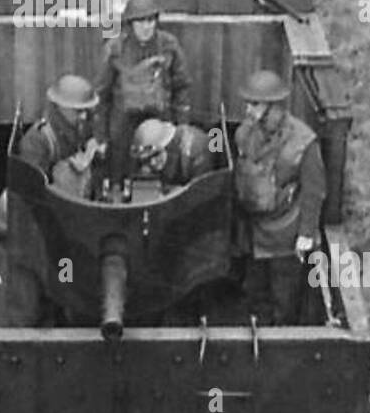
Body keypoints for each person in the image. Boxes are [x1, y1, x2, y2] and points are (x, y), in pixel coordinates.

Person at [232, 69, 326, 325]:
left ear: (272, 105)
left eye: (254, 104)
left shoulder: (303, 142)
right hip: (254, 231)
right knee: (255, 293)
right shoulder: (245, 134)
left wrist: (306, 235)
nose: (248, 110)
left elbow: (314, 190)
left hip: (286, 236)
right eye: (248, 103)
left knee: (284, 299)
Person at [94, 0, 191, 186]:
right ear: (130, 24)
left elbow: (182, 87)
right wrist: (100, 136)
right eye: (140, 21)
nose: (147, 27)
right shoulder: (115, 49)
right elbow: (101, 94)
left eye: (150, 20)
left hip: (160, 117)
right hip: (123, 121)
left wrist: (182, 127)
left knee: (164, 167)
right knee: (119, 170)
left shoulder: (168, 45)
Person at [17, 73, 105, 198]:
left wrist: (92, 151)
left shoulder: (79, 126)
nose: (84, 117)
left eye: (87, 111)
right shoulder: (38, 139)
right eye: (78, 111)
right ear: (60, 107)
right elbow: (30, 190)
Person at [130, 117, 213, 189]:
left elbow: (200, 193)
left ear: (168, 145)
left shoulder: (192, 152)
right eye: (146, 160)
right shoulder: (153, 166)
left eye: (156, 155)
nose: (152, 162)